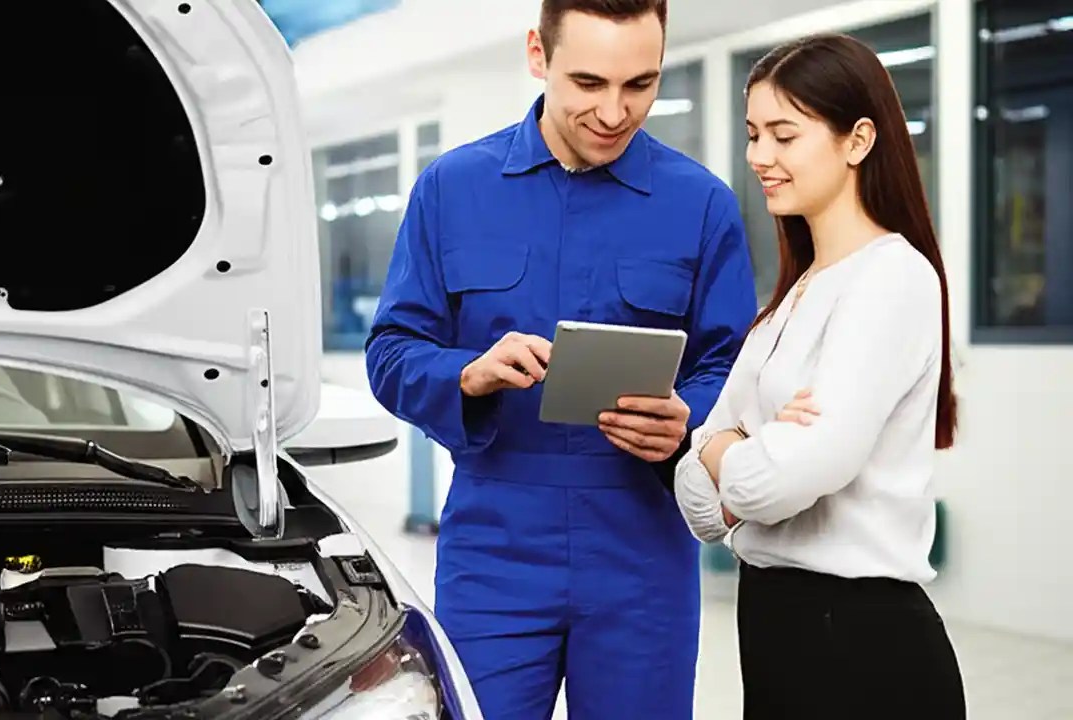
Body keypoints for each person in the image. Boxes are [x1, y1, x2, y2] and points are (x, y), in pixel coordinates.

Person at [364, 1, 757, 716]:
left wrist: (688, 417)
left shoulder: (700, 205)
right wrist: (466, 374)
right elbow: (391, 352)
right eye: (589, 83)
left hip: (643, 551)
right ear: (537, 56)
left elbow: (731, 366)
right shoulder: (452, 190)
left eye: (640, 84)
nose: (614, 112)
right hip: (494, 548)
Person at [673, 32, 967, 719]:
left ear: (858, 140)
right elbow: (701, 509)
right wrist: (739, 449)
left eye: (784, 135)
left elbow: (772, 484)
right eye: (754, 134)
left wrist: (721, 445)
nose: (759, 156)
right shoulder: (789, 300)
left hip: (860, 642)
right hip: (779, 630)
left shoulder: (891, 278)